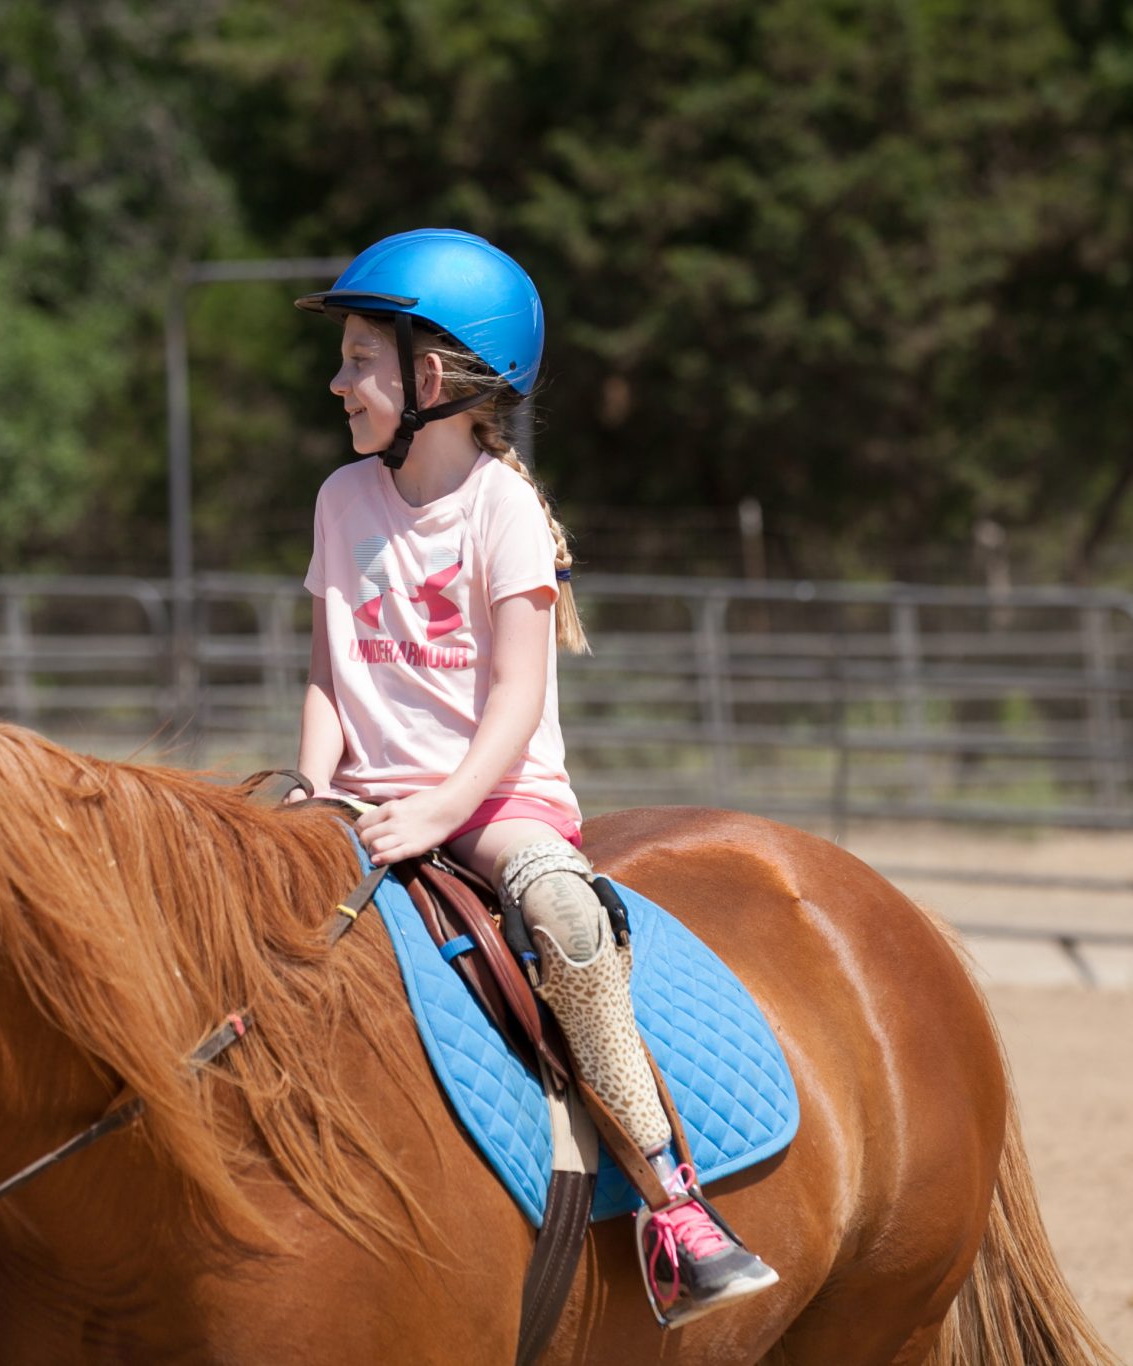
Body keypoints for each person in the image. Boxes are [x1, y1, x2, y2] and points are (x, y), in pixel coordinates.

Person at [291, 228, 778, 1325]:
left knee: (564, 916)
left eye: (358, 358)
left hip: (491, 802)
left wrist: (441, 811)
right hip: (359, 798)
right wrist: (312, 789)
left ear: (434, 377)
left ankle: (672, 1201)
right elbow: (326, 674)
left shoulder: (502, 509)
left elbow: (514, 701)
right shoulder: (338, 501)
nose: (337, 381)